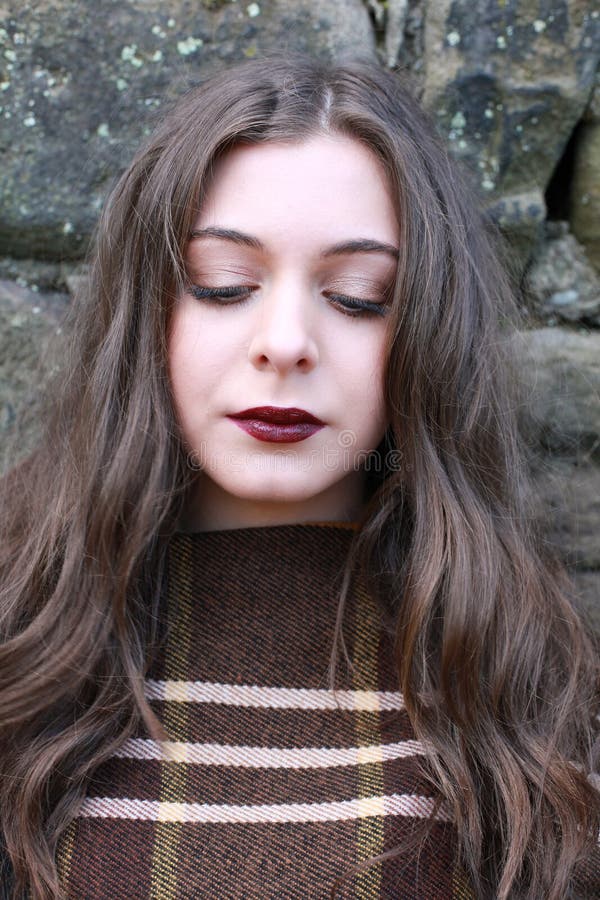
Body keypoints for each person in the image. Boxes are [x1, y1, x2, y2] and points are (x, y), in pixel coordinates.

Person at [0, 53, 598, 900]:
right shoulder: (20, 643)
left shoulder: (530, 695)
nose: (286, 341)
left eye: (358, 296)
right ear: (147, 311)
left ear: (429, 337)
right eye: (224, 285)